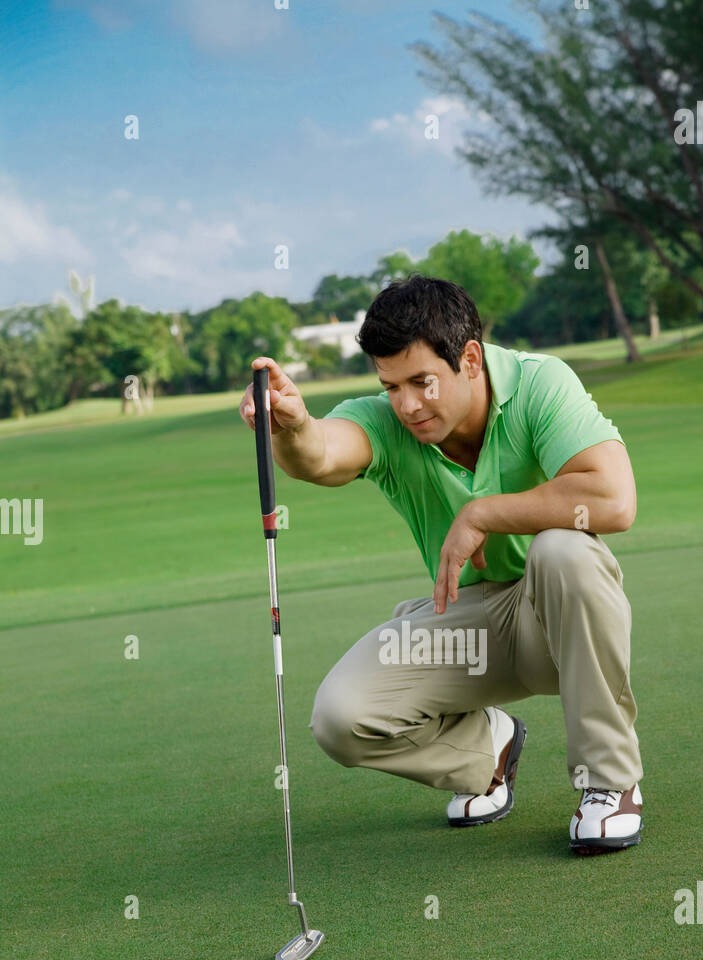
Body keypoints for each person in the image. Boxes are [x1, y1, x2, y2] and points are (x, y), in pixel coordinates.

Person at [239, 276, 643, 853]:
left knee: (564, 549)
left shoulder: (539, 384)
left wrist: (484, 513)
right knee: (340, 717)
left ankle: (610, 783)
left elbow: (613, 500)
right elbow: (323, 456)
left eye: (421, 382)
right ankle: (489, 756)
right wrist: (295, 426)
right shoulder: (385, 419)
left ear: (470, 359)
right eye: (391, 385)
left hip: (553, 621)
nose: (406, 405)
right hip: (468, 630)